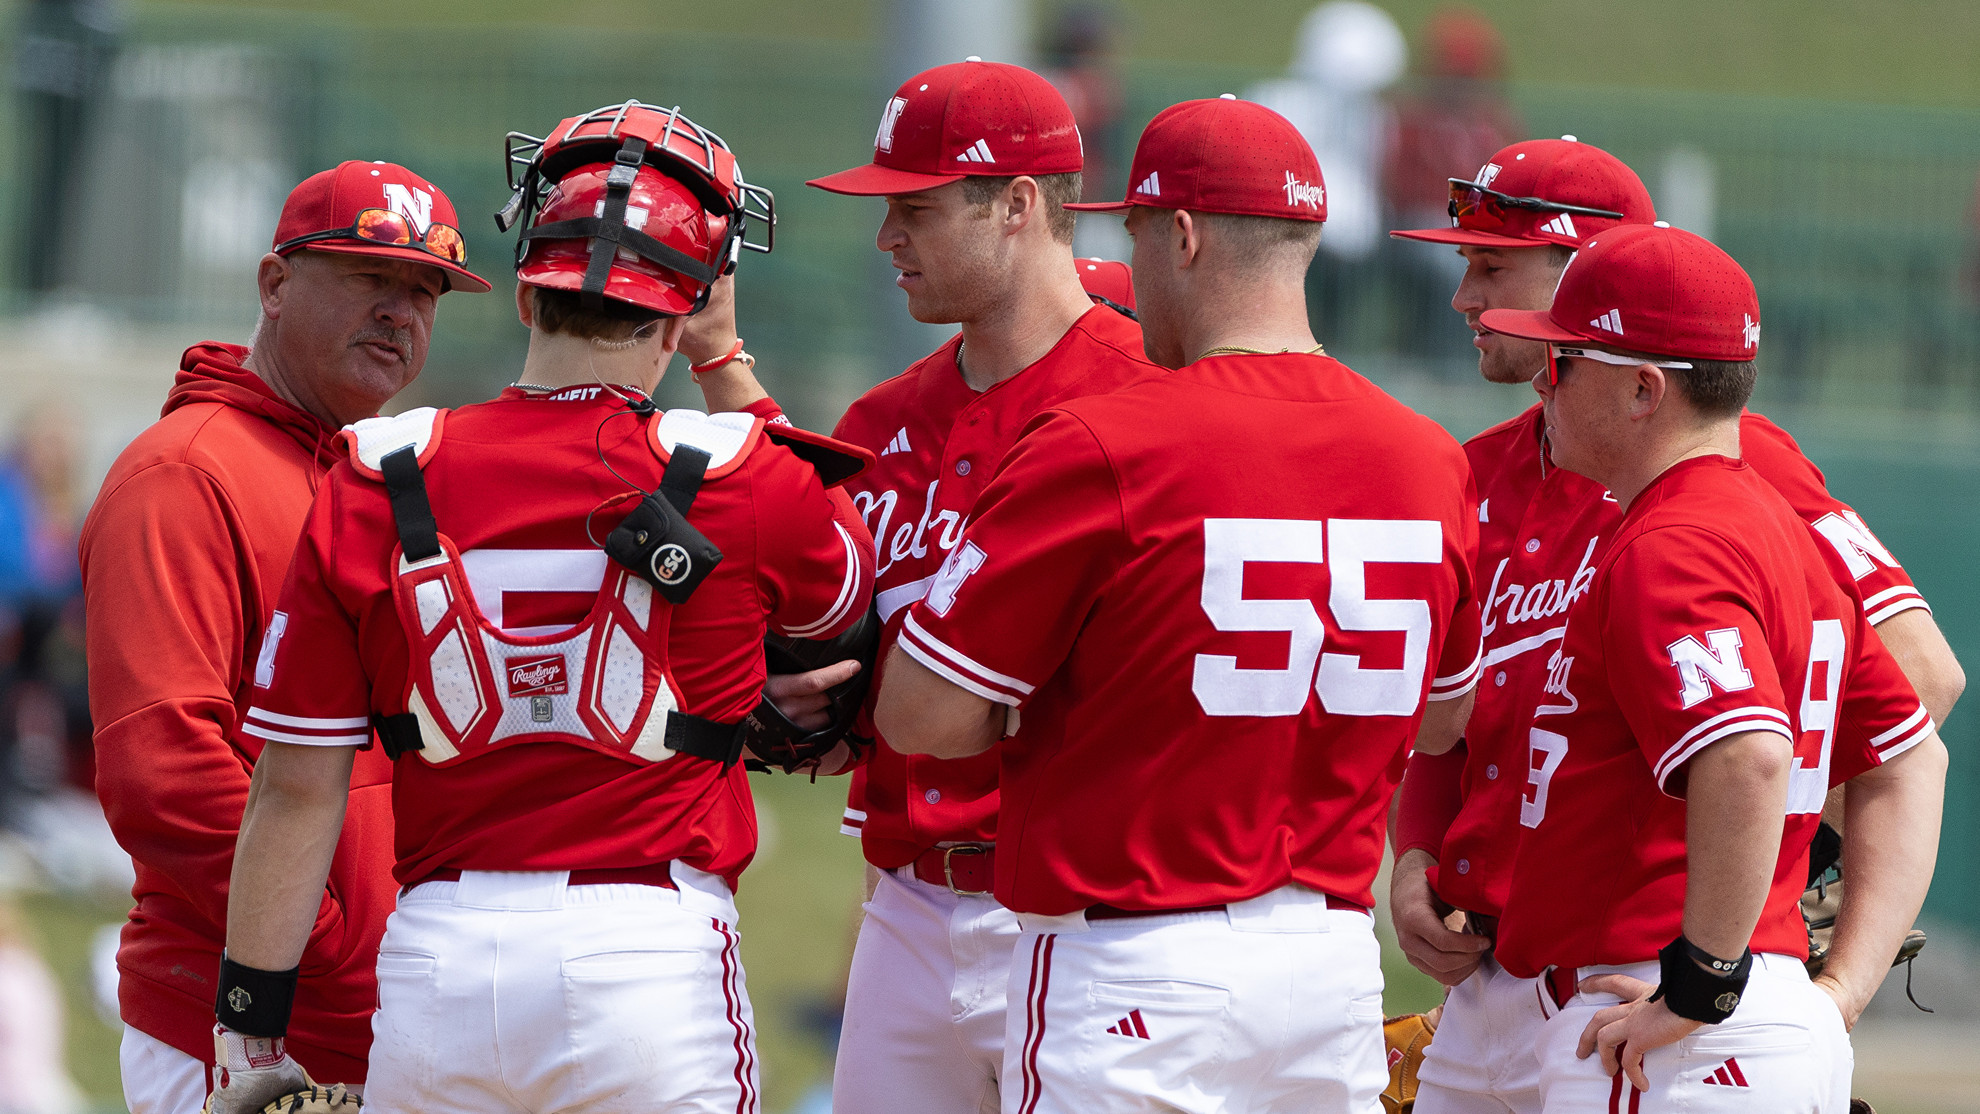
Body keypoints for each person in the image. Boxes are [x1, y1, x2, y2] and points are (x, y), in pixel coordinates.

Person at [206, 102, 875, 1114]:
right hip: (648, 957)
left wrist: (249, 1029)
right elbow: (848, 603)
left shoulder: (377, 472)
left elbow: (297, 787)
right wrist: (724, 358)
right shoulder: (748, 476)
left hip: (439, 966)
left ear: (526, 294)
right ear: (686, 306)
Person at [873, 95, 1483, 1114]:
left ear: (1184, 238)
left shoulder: (1106, 439)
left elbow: (919, 714)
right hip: (1329, 965)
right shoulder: (1429, 456)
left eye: (1138, 235)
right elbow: (1444, 719)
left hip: (1133, 962)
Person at [1383, 138, 1965, 1114]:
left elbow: (1897, 695)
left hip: (1640, 975)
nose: (1468, 297)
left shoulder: (1714, 497)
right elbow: (1459, 711)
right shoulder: (1497, 470)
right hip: (1516, 965)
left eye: (1494, 265)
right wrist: (1416, 861)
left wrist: (1746, 919)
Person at [80, 159, 489, 1114]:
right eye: (369, 278)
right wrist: (339, 958)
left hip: (386, 1019)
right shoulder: (183, 476)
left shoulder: (366, 481)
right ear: (274, 284)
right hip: (239, 1035)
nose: (402, 314)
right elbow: (163, 774)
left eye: (425, 292)